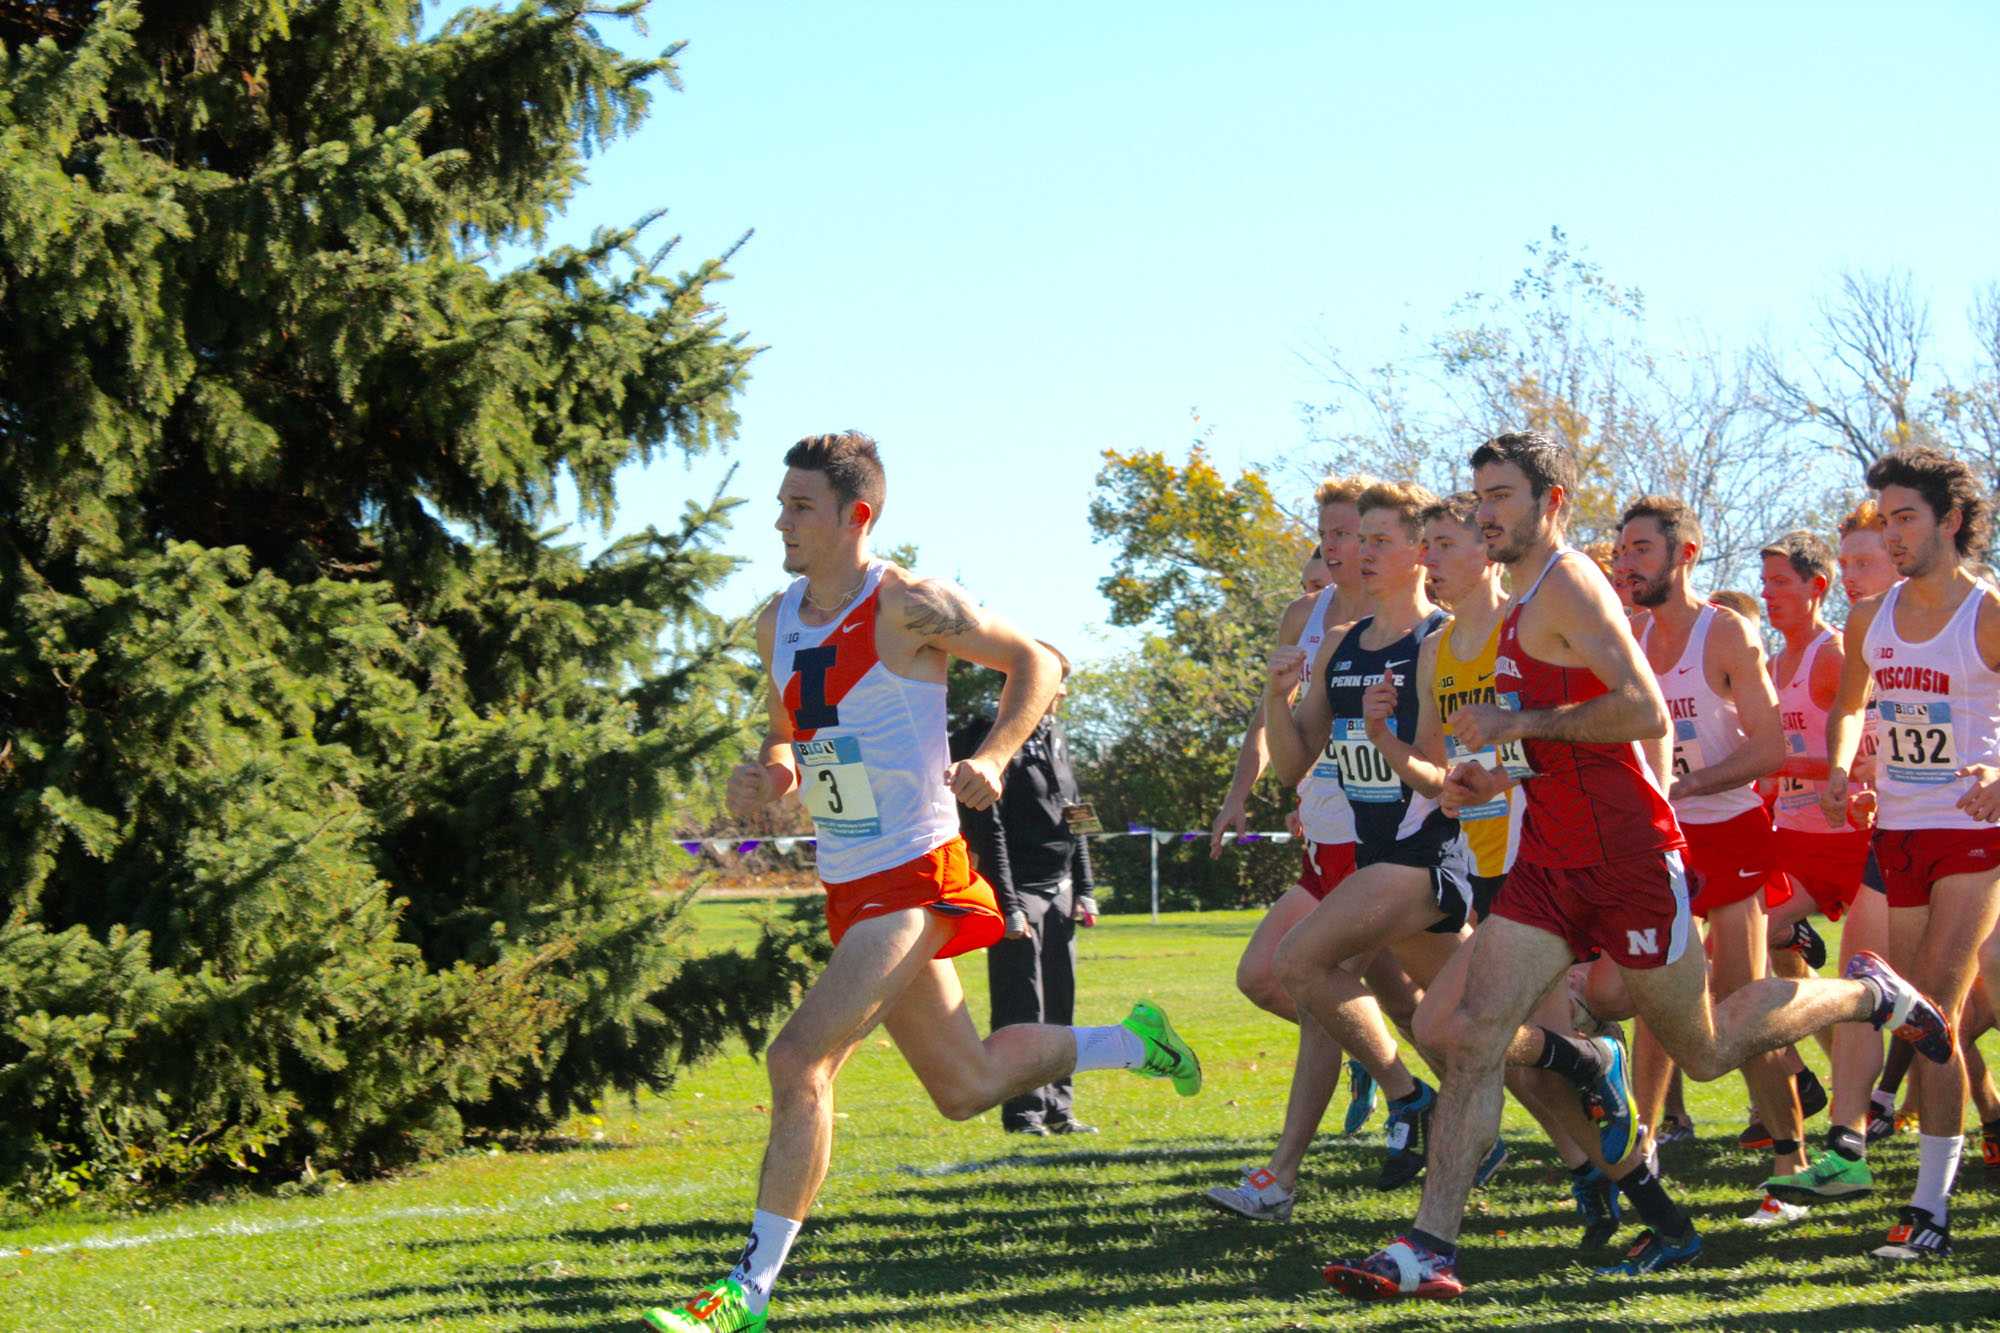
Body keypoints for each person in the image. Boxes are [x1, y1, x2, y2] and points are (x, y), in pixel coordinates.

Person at [1323, 430, 1950, 1303]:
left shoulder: (1572, 580)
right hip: (1550, 857)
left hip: (1629, 858)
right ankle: (1432, 1245)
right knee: (1466, 1033)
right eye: (1480, 495)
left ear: (1551, 503)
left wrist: (1520, 731)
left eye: (1501, 496)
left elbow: (1644, 711)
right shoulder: (1512, 608)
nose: (1484, 511)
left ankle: (1871, 995)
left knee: (1702, 1049)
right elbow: (1554, 736)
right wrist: (1491, 770)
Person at [642, 434, 1202, 1332]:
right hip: (850, 880)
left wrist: (995, 754)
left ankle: (745, 1291)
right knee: (967, 1084)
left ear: (856, 516)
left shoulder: (910, 604)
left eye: (800, 507)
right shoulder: (774, 619)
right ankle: (1134, 1042)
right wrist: (771, 772)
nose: (780, 521)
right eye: (781, 503)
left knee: (798, 1059)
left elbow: (1041, 662)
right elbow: (793, 730)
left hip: (918, 872)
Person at [1263, 480, 1489, 1192]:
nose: (1358, 552)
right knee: (1457, 1031)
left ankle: (1396, 1103)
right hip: (1372, 858)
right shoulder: (1339, 645)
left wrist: (1392, 741)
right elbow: (1293, 764)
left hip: (1430, 857)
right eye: (1354, 538)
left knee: (1299, 966)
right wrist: (1277, 697)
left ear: (1421, 552)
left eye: (1378, 540)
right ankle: (1589, 1130)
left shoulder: (1442, 641)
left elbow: (1450, 772)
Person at [1203, 477, 1418, 1222]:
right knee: (1283, 981)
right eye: (1325, 532)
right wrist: (1240, 792)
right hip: (1325, 833)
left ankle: (1284, 1175)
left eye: (1349, 532)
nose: (1333, 548)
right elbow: (1281, 732)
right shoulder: (1310, 617)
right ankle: (1420, 1091)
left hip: (1387, 843)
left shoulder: (1419, 624)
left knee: (1318, 986)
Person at [1811, 445, 2000, 1262]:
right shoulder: (1870, 617)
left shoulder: (1986, 611)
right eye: (1883, 519)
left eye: (1905, 518)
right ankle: (1946, 1162)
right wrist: (1840, 767)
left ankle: (1930, 1209)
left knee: (1937, 1018)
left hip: (1973, 831)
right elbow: (1850, 704)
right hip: (1899, 831)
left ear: (1949, 521)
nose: (1890, 536)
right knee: (1921, 1017)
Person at [1614, 498, 1813, 1225]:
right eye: (1621, 548)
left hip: (1728, 830)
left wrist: (1686, 783)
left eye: (1641, 548)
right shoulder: (1625, 635)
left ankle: (1789, 1163)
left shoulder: (1723, 632)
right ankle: (1643, 1141)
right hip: (1657, 839)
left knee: (1739, 1001)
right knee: (1651, 993)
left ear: (1685, 553)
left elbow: (1771, 749)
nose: (1627, 561)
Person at [953, 642, 1101, 1137]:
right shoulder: (989, 739)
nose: (1061, 692)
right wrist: (1010, 905)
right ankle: (1024, 1112)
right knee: (1022, 1004)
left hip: (1059, 889)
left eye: (1062, 682)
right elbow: (986, 829)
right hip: (1017, 891)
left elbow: (1075, 811)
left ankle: (1060, 1107)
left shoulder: (1055, 734)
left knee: (1061, 1002)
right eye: (1054, 680)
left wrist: (1086, 886)